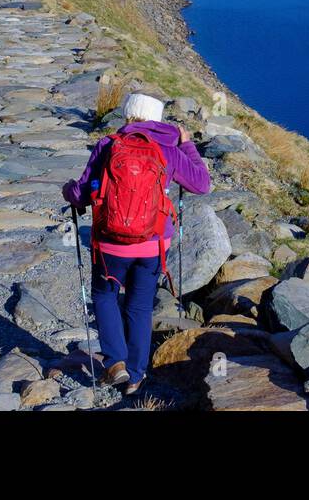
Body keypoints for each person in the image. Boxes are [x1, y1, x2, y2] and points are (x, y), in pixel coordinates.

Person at [62, 93, 211, 396]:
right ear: (157, 119)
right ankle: (135, 376)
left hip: (109, 244)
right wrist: (187, 144)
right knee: (139, 306)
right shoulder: (168, 149)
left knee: (104, 296)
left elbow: (81, 193)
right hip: (152, 244)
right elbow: (202, 184)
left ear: (128, 115)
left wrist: (68, 191)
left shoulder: (108, 145)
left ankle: (115, 362)